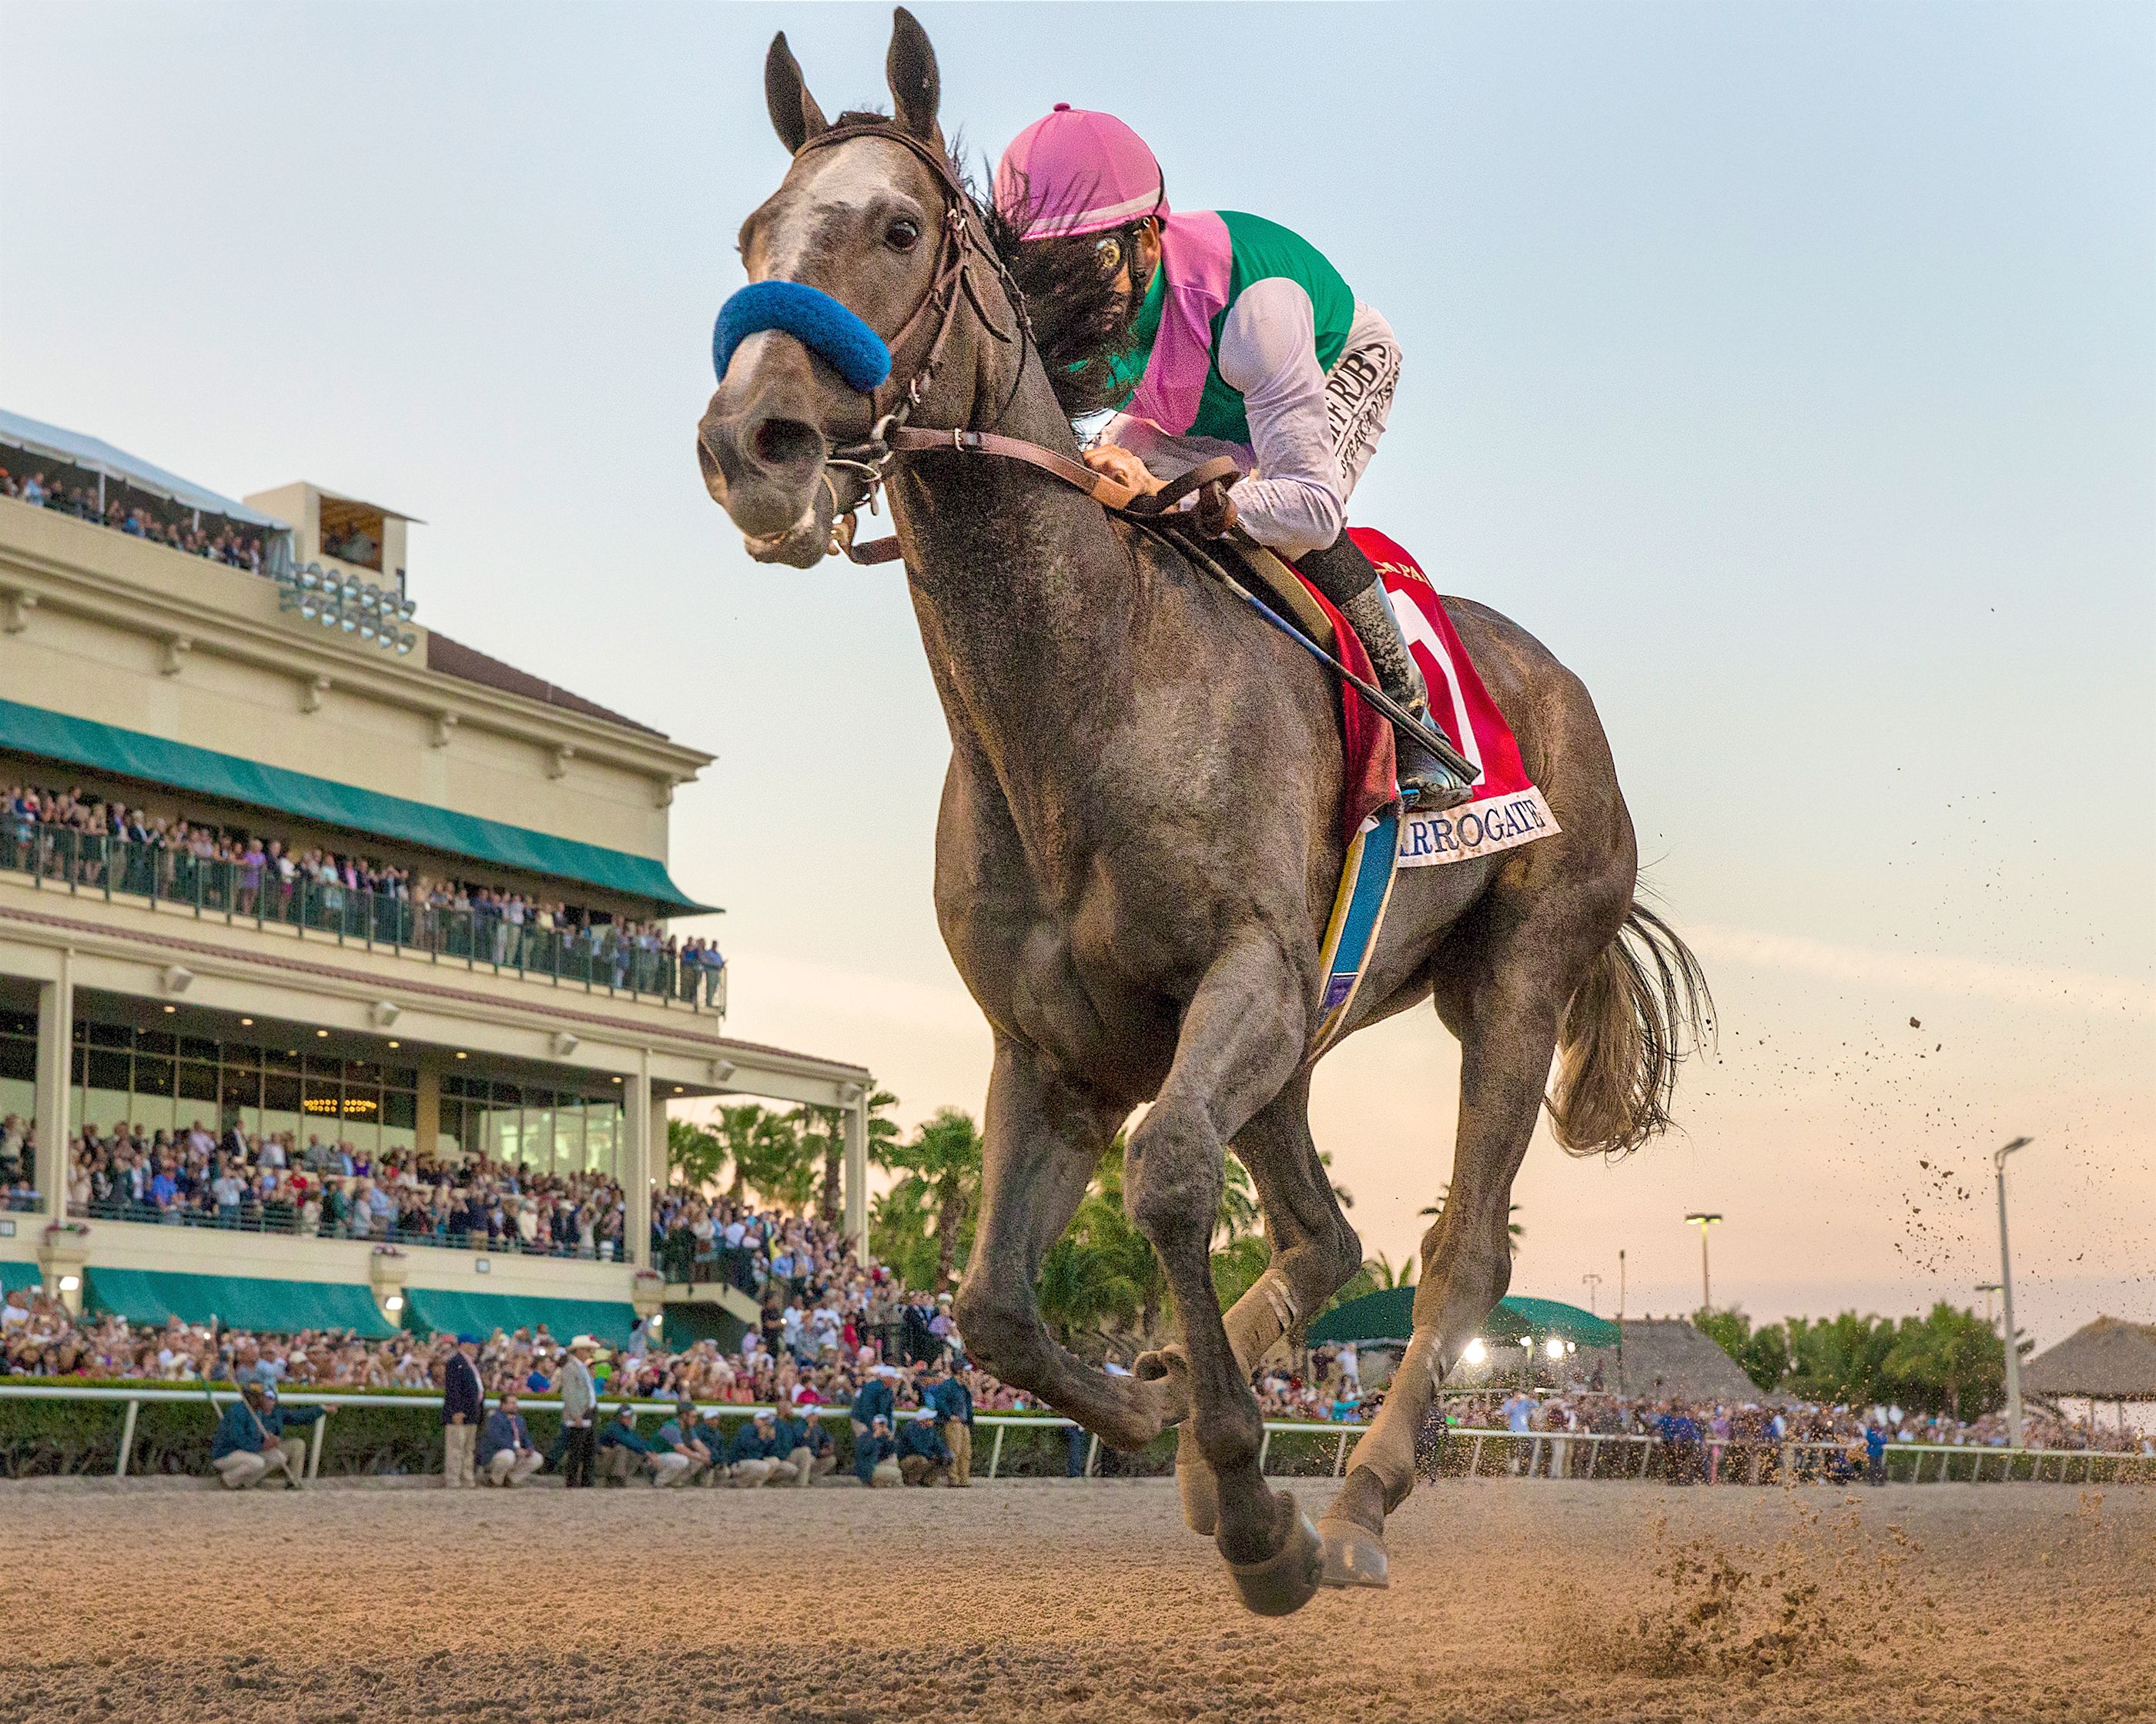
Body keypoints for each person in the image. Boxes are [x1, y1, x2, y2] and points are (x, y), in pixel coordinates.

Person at [994, 105, 1468, 809]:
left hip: (1327, 360)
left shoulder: (1258, 309)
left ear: (1148, 239)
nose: (1076, 301)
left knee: (1285, 524)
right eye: (1047, 272)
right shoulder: (1080, 307)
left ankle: (1414, 723)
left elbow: (1309, 506)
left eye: (1091, 264)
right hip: (1196, 396)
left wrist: (1162, 493)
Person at [209, 1382, 326, 1490]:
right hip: (227, 1453)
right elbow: (240, 1439)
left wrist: (270, 1440)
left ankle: (246, 1484)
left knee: (279, 1457)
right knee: (257, 1462)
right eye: (259, 1396)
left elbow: (297, 1417)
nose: (261, 1399)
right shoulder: (238, 1411)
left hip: (247, 1451)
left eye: (262, 1395)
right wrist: (263, 1446)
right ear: (250, 1397)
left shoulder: (260, 1411)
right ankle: (228, 1480)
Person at [441, 1336, 484, 1488]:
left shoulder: (470, 1363)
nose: (476, 1347)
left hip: (472, 1412)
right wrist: (456, 1410)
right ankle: (453, 1479)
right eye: (473, 1344)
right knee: (456, 1448)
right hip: (461, 1413)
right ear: (464, 1344)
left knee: (468, 1448)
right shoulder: (455, 1363)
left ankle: (467, 1478)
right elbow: (453, 1389)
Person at [558, 1334, 600, 1488]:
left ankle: (586, 1480)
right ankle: (573, 1480)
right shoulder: (570, 1368)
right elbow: (569, 1393)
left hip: (588, 1410)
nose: (590, 1352)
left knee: (588, 1448)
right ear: (579, 1351)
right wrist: (576, 1414)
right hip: (580, 1412)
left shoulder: (581, 1367)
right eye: (587, 1350)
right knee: (576, 1448)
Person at [479, 1392, 544, 1487]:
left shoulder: (519, 1419)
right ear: (503, 1405)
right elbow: (496, 1438)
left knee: (537, 1458)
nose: (515, 1406)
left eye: (516, 1403)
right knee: (508, 1455)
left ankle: (511, 1480)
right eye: (512, 1403)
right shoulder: (494, 1418)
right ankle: (495, 1480)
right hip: (496, 1454)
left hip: (517, 1453)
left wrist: (529, 1449)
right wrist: (515, 1450)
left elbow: (526, 1437)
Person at [928, 1358, 975, 1488]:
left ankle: (964, 1479)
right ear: (960, 1371)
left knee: (966, 1452)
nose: (968, 1373)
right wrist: (949, 1415)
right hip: (954, 1423)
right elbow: (939, 1401)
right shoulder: (947, 1385)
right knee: (955, 1451)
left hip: (964, 1423)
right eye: (966, 1371)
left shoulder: (964, 1388)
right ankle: (954, 1478)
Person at [725, 1408, 800, 1487]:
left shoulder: (766, 1433)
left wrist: (772, 1440)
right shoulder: (747, 1429)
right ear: (756, 1420)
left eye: (768, 1421)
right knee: (765, 1466)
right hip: (740, 1462)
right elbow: (749, 1451)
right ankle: (739, 1483)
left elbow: (772, 1454)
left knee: (791, 1469)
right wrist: (761, 1438)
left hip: (758, 1462)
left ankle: (762, 1483)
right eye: (763, 1420)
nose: (766, 1423)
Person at [651, 1401, 713, 1488]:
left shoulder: (689, 1428)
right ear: (684, 1416)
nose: (695, 1419)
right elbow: (680, 1449)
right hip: (654, 1459)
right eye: (693, 1416)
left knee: (698, 1458)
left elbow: (698, 1444)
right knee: (683, 1460)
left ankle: (675, 1482)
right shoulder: (671, 1427)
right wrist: (701, 1457)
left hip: (669, 1459)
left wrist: (709, 1456)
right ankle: (660, 1482)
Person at [777, 1404, 838, 1487]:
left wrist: (829, 1446)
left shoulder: (817, 1427)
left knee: (831, 1460)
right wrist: (819, 1452)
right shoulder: (799, 1427)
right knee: (806, 1452)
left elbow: (827, 1437)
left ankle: (810, 1478)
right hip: (803, 1457)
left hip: (814, 1456)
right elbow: (800, 1444)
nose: (818, 1416)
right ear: (809, 1415)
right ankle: (801, 1483)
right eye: (815, 1414)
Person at [598, 1404, 657, 1485]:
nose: (629, 1419)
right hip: (601, 1460)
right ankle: (617, 1478)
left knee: (636, 1452)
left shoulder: (627, 1430)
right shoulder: (613, 1428)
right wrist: (646, 1452)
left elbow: (641, 1441)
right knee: (622, 1448)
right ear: (619, 1417)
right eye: (626, 1417)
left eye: (630, 1417)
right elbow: (627, 1442)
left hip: (611, 1461)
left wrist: (652, 1452)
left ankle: (622, 1478)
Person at [896, 1406, 953, 1487]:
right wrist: (931, 1455)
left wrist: (945, 1454)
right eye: (930, 1419)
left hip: (925, 1456)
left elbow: (939, 1445)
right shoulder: (911, 1428)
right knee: (921, 1460)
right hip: (907, 1458)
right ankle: (911, 1480)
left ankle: (927, 1481)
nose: (933, 1421)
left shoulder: (931, 1430)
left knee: (944, 1459)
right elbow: (918, 1448)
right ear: (923, 1420)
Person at [854, 1414, 901, 1488]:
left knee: (894, 1462)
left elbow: (891, 1451)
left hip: (880, 1463)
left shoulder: (885, 1437)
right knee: (895, 1473)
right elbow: (866, 1451)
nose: (881, 1426)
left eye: (883, 1424)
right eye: (879, 1424)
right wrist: (875, 1437)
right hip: (869, 1465)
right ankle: (874, 1482)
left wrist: (890, 1438)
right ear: (874, 1424)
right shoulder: (865, 1436)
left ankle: (882, 1482)